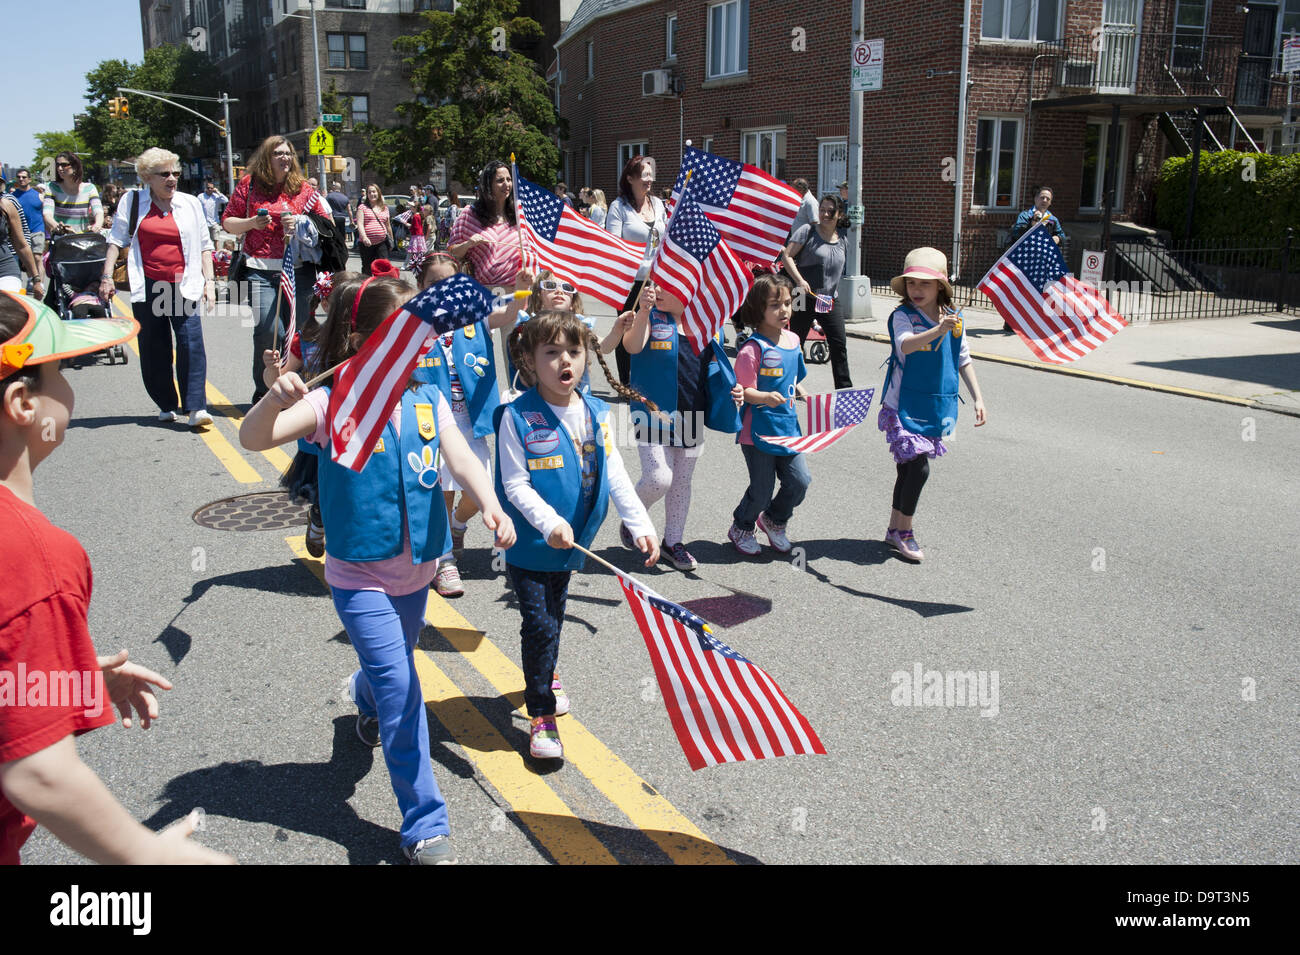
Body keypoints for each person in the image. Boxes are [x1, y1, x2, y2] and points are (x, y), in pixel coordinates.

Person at [240, 273, 515, 864]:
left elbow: (460, 453)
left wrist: (489, 501)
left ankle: (364, 691)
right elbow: (254, 437)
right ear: (366, 339)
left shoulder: (425, 394)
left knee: (391, 667)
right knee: (402, 688)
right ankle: (425, 820)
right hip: (357, 573)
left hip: (417, 569)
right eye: (406, 332)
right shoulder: (330, 400)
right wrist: (273, 396)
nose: (423, 344)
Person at [0, 291, 232, 865]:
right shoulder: (34, 555)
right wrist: (151, 856)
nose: (70, 392)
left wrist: (63, 677)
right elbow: (38, 773)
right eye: (61, 373)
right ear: (23, 403)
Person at [497, 310, 658, 759]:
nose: (565, 361)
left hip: (573, 545)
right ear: (529, 360)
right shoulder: (517, 416)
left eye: (573, 351)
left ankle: (544, 672)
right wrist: (548, 523)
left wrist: (639, 523)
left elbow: (616, 474)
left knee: (553, 617)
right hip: (532, 545)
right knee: (540, 623)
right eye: (551, 353)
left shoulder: (595, 412)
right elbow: (514, 484)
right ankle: (541, 715)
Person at [412, 253, 521, 598]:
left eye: (450, 281)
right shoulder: (415, 321)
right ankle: (443, 562)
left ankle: (457, 526)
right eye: (434, 282)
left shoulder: (474, 313)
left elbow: (507, 315)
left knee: (480, 488)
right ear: (421, 286)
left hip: (471, 420)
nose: (442, 288)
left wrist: (521, 292)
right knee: (440, 488)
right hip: (433, 422)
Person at [878, 248, 987, 562]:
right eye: (912, 283)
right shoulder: (902, 316)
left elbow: (962, 358)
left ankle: (894, 528)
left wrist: (978, 397)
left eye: (924, 284)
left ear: (940, 287)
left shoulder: (954, 318)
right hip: (902, 405)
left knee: (908, 470)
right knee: (918, 469)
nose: (916, 290)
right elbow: (905, 346)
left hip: (934, 406)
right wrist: (936, 330)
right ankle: (905, 533)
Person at [101, 148, 215, 429]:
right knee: (154, 346)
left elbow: (204, 245)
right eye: (164, 174)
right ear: (147, 177)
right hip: (147, 282)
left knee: (191, 342)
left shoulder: (190, 203)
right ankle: (165, 403)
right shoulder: (132, 201)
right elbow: (116, 240)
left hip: (183, 283)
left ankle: (196, 406)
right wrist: (106, 277)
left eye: (175, 173)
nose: (172, 178)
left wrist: (209, 283)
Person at [222, 135, 330, 402]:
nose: (285, 158)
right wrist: (251, 223)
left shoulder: (303, 189)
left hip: (299, 270)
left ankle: (298, 389)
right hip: (260, 269)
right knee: (270, 331)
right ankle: (265, 391)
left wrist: (303, 224)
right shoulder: (248, 186)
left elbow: (326, 223)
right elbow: (228, 223)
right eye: (278, 153)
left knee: (301, 333)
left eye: (288, 153)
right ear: (266, 158)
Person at [621, 281, 709, 572]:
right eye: (655, 285)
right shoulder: (651, 317)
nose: (657, 291)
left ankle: (674, 543)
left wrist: (733, 389)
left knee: (682, 483)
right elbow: (632, 346)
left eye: (668, 286)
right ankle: (634, 516)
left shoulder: (703, 324)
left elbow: (715, 368)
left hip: (691, 414)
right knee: (659, 477)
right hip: (651, 414)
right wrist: (643, 311)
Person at [727, 273, 813, 555]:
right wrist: (764, 397)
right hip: (757, 432)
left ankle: (775, 520)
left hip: (788, 428)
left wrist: (801, 390)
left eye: (787, 303)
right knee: (761, 489)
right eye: (775, 305)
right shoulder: (752, 349)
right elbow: (743, 390)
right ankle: (742, 525)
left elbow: (793, 376)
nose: (784, 310)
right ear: (757, 310)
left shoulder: (793, 340)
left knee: (799, 481)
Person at [604, 155, 666, 383]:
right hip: (630, 281)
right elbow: (613, 244)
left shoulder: (658, 204)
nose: (648, 180)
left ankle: (648, 379)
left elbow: (665, 237)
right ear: (630, 178)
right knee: (627, 329)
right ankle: (627, 382)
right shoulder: (619, 207)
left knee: (654, 329)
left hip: (657, 280)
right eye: (643, 175)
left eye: (650, 175)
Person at [782, 193, 853, 390]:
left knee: (839, 344)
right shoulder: (807, 231)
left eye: (831, 211)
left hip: (829, 299)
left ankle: (844, 390)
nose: (825, 214)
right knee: (795, 342)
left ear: (839, 214)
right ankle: (788, 385)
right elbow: (786, 256)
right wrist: (799, 280)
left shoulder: (843, 239)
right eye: (822, 210)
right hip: (802, 296)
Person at [448, 161, 521, 293]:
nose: (506, 184)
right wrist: (468, 244)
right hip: (481, 293)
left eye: (509, 179)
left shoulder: (519, 217)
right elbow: (452, 252)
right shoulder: (469, 215)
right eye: (500, 180)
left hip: (514, 294)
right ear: (488, 185)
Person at [43, 152, 103, 237]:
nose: (59, 168)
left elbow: (98, 212)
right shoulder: (51, 187)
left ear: (75, 167)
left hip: (84, 240)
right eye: (57, 165)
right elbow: (47, 214)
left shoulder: (90, 188)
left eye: (64, 165)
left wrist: (97, 226)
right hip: (61, 240)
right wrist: (58, 227)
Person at [0, 193, 41, 298]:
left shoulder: (6, 204)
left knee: (8, 309)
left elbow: (21, 245)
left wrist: (36, 279)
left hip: (5, 270)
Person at [10, 170, 45, 277]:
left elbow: (46, 214)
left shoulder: (39, 196)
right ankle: (33, 281)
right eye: (19, 177)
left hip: (37, 230)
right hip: (19, 232)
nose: (21, 179)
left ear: (29, 179)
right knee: (26, 259)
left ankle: (41, 285)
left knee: (37, 258)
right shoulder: (12, 197)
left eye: (24, 177)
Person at [355, 183, 394, 276]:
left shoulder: (384, 208)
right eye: (369, 192)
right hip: (366, 243)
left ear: (378, 193)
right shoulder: (362, 207)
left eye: (374, 191)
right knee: (367, 268)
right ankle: (367, 287)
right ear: (367, 195)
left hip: (382, 242)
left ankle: (382, 286)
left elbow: (388, 225)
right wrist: (364, 237)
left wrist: (391, 240)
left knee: (384, 266)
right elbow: (360, 224)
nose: (372, 194)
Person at [198, 180, 228, 246]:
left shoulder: (216, 196)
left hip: (214, 223)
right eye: (208, 188)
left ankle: (216, 255)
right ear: (205, 188)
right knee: (205, 242)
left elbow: (226, 200)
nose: (210, 189)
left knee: (216, 241)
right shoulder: (201, 196)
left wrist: (218, 192)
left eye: (211, 188)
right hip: (204, 223)